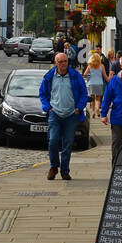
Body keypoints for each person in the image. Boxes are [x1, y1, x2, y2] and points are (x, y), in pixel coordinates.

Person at [39, 51, 89, 181]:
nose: (63, 64)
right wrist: (47, 108)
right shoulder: (49, 77)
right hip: (54, 113)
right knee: (53, 141)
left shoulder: (75, 76)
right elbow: (43, 94)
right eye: (60, 62)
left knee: (68, 144)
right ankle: (54, 167)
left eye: (65, 61)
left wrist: (79, 107)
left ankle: (65, 171)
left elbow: (84, 93)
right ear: (55, 63)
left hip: (71, 114)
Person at [83, 52, 106, 119]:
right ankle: (97, 109)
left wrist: (88, 77)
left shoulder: (90, 66)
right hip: (99, 83)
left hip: (91, 83)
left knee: (92, 99)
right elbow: (105, 76)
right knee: (98, 99)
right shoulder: (101, 66)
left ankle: (93, 111)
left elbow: (84, 74)